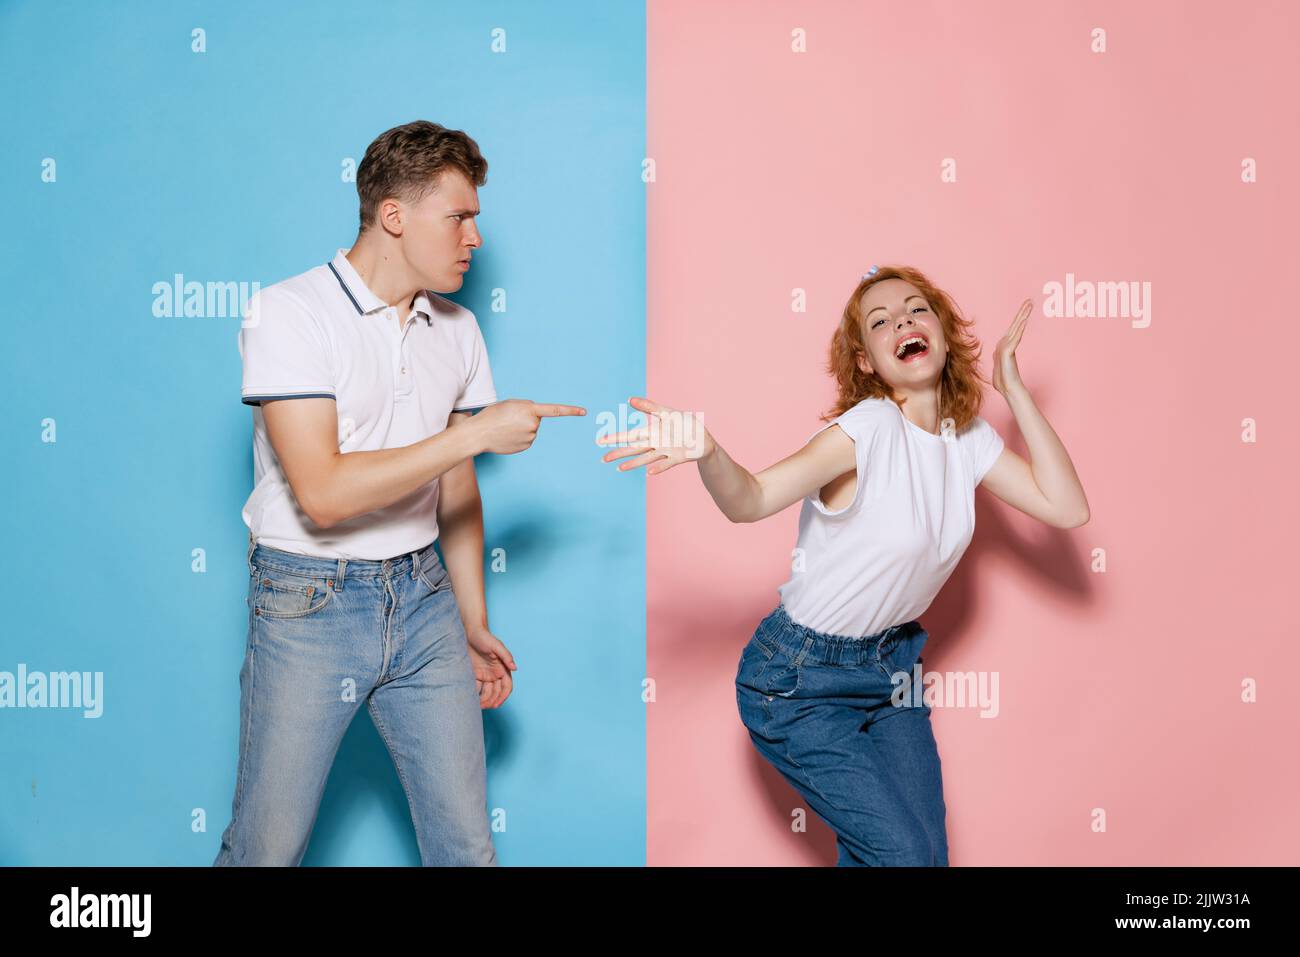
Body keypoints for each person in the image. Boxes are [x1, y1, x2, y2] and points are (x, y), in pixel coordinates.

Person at [598, 264, 1089, 866]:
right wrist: (708, 451)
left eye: (916, 309)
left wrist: (1012, 387)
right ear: (866, 362)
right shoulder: (867, 430)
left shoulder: (968, 439)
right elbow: (749, 500)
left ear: (940, 330)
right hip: (800, 679)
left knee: (926, 856)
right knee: (902, 854)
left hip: (894, 666)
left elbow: (1066, 509)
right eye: (880, 322)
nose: (903, 321)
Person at [214, 120, 585, 866]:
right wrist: (473, 435)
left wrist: (472, 618)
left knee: (466, 848)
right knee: (266, 849)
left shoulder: (456, 327)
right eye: (459, 216)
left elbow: (455, 485)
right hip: (307, 602)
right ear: (394, 216)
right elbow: (323, 492)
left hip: (423, 600)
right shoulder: (289, 313)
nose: (474, 237)